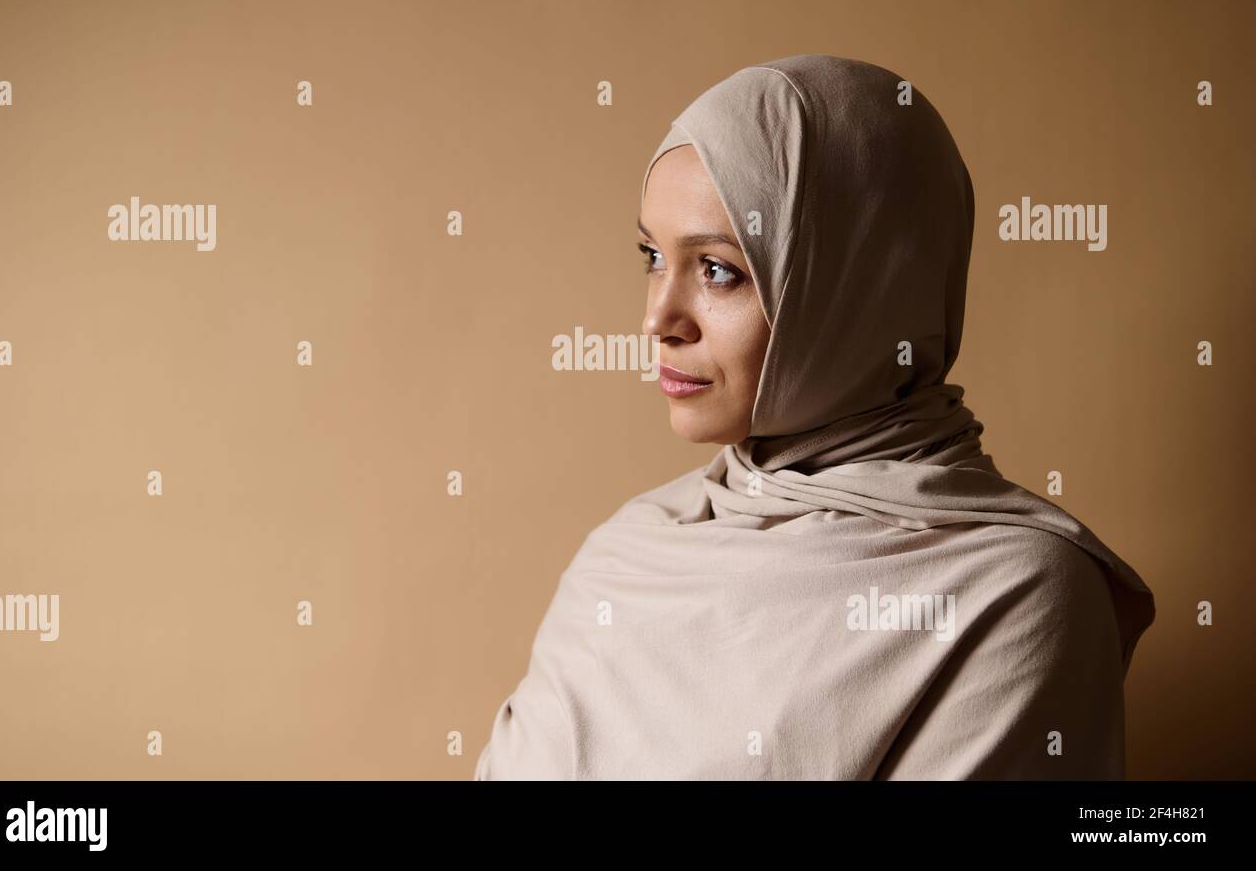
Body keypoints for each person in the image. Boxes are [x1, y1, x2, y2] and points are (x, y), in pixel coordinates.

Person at [474, 54, 1155, 780]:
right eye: (651, 255)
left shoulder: (1014, 594)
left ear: (860, 282)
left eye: (717, 269)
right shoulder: (623, 556)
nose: (657, 317)